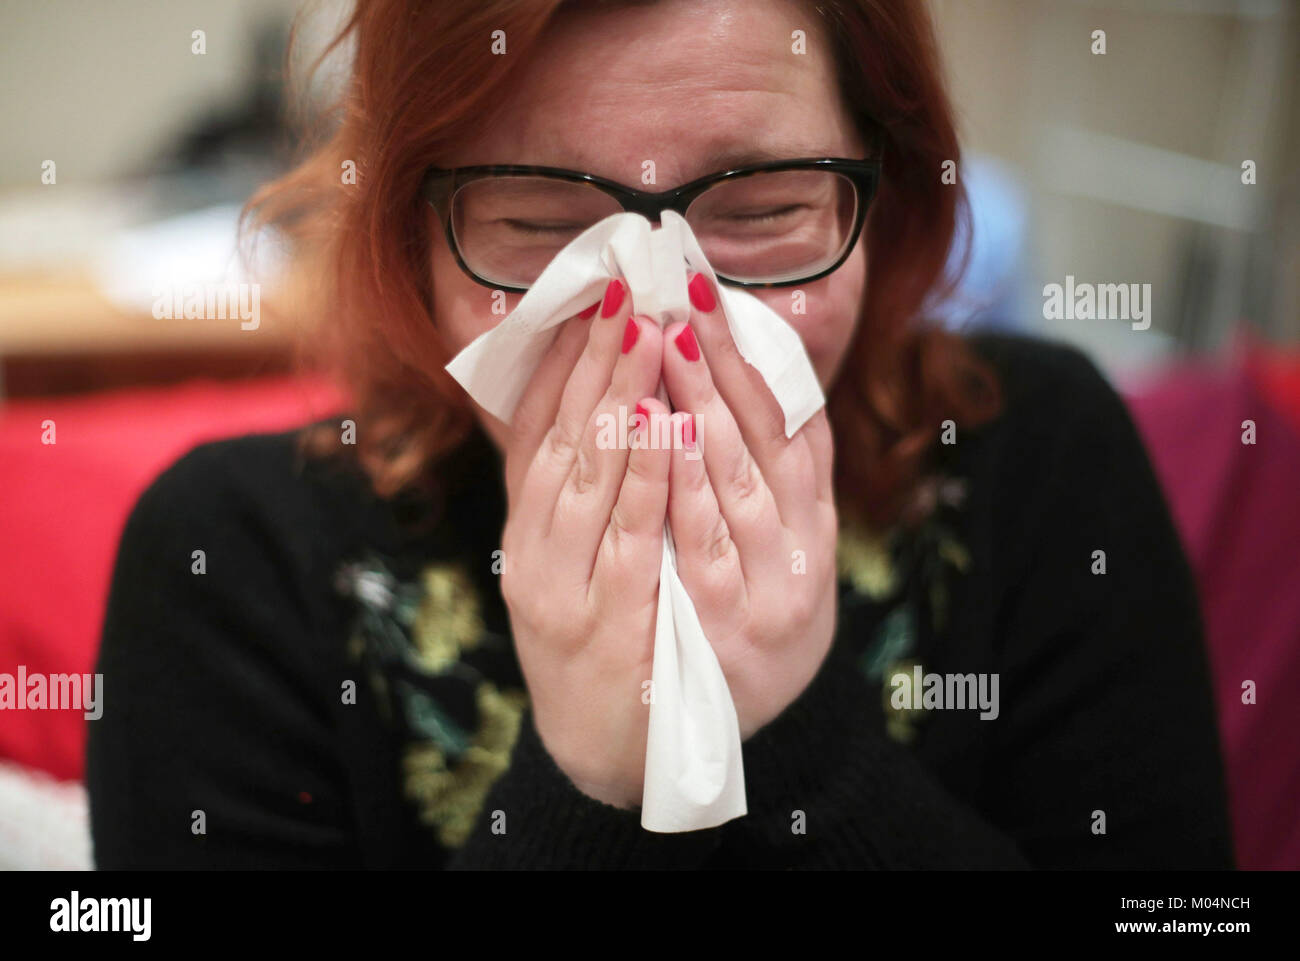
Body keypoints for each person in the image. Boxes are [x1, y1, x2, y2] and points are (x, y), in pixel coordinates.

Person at [87, 0, 1234, 869]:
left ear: (880, 199)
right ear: (413, 247)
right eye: (542, 228)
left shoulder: (1037, 458)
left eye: (762, 209)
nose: (657, 303)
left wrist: (797, 741)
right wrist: (582, 779)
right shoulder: (230, 562)